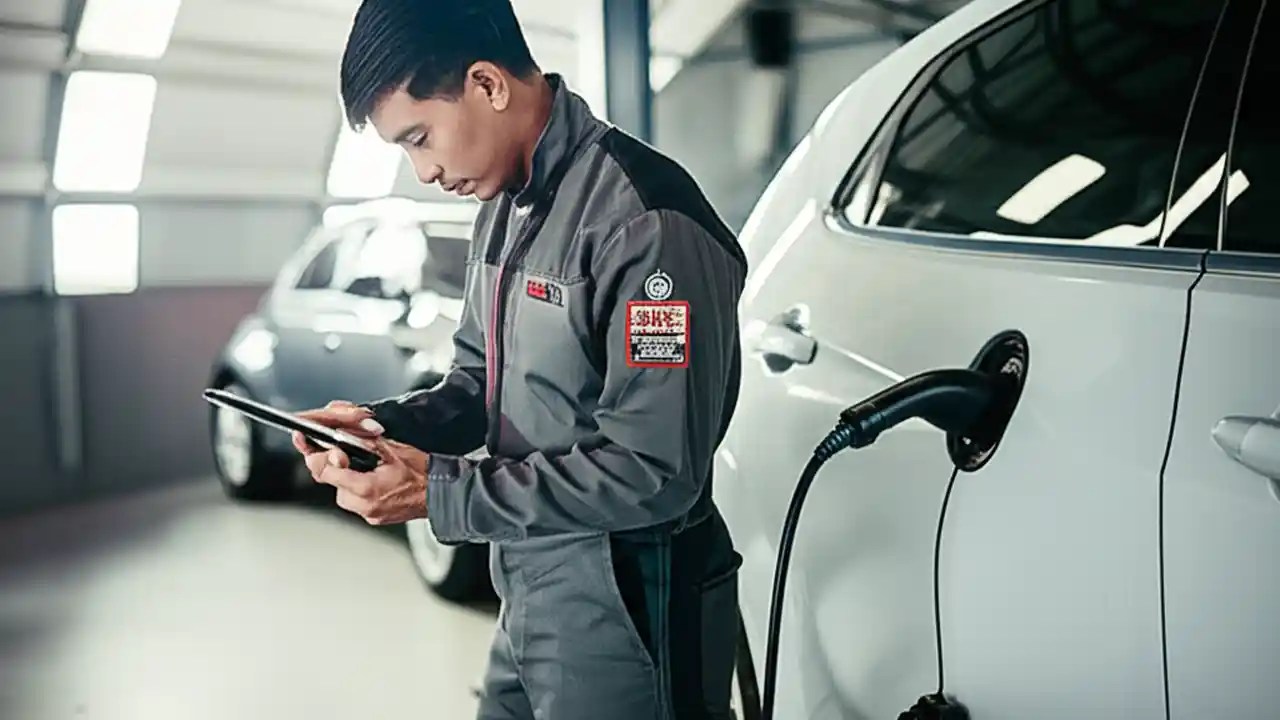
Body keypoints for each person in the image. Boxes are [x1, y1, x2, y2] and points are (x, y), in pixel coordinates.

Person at [292, 1, 749, 718]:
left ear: (487, 84)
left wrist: (443, 495)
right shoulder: (505, 209)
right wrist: (381, 427)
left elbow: (656, 471)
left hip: (630, 605)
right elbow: (480, 383)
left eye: (420, 139)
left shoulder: (645, 222)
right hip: (531, 580)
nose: (424, 170)